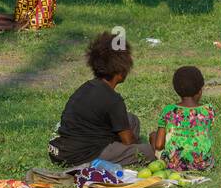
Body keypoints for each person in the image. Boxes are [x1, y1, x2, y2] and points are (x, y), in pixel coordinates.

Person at [49, 31, 154, 167]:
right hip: (84, 156)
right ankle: (120, 153)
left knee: (132, 120)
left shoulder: (86, 87)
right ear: (121, 71)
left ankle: (117, 149)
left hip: (62, 150)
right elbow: (128, 141)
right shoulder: (113, 100)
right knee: (150, 151)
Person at [150, 65, 215, 172]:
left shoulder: (169, 110)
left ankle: (159, 162)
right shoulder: (208, 110)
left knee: (153, 135)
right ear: (200, 90)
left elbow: (159, 145)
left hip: (173, 164)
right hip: (203, 164)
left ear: (176, 90)